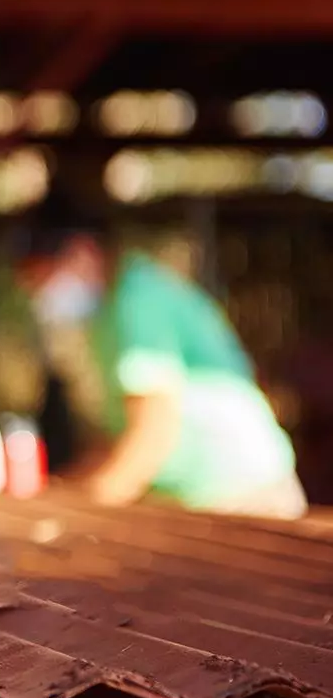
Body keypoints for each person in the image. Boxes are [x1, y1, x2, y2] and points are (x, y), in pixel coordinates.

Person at [17, 198, 307, 519]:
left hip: (243, 497)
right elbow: (118, 440)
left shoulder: (139, 302)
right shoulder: (106, 317)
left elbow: (152, 434)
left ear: (82, 252)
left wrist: (78, 512)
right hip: (199, 503)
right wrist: (67, 490)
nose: (40, 296)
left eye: (42, 280)